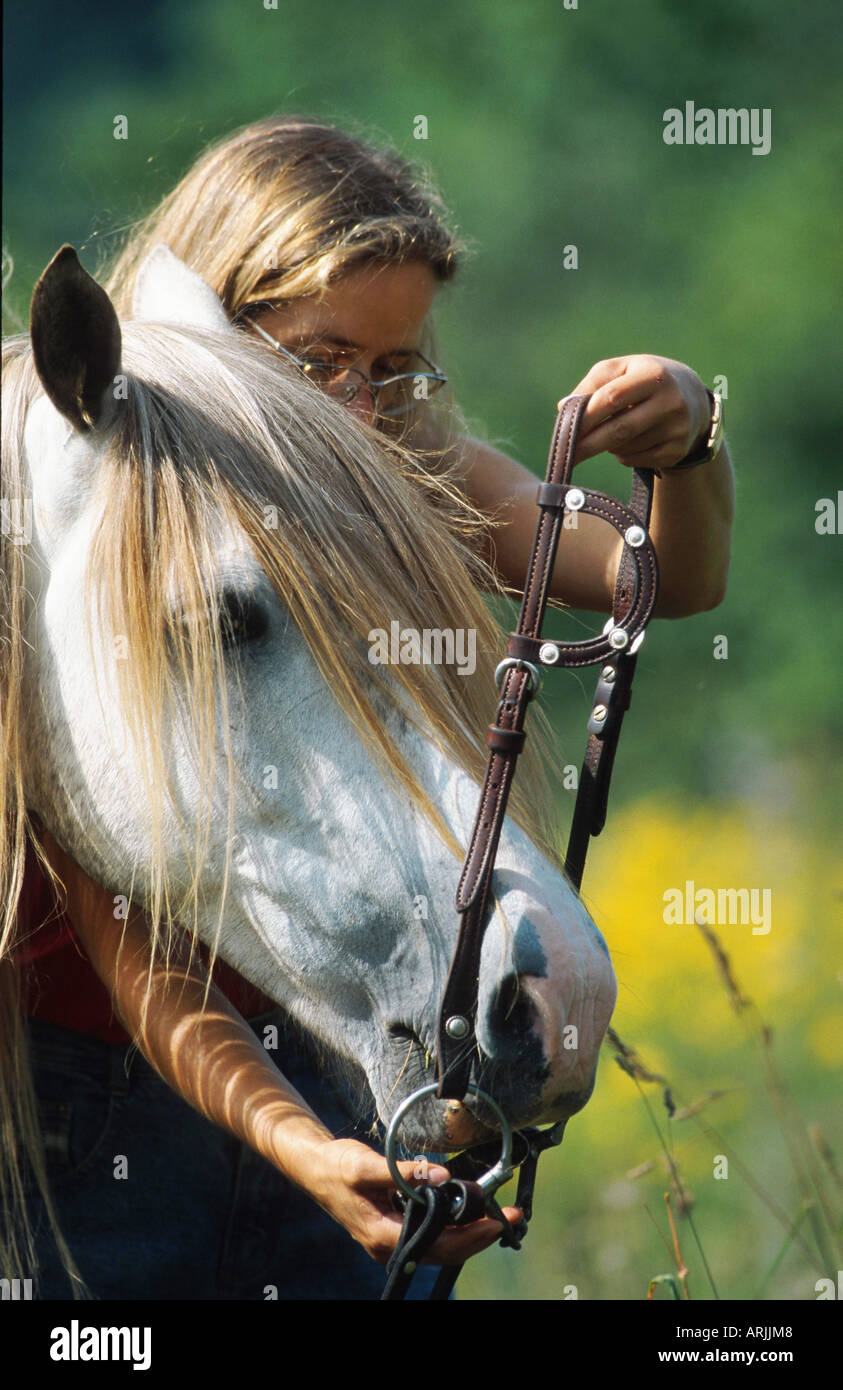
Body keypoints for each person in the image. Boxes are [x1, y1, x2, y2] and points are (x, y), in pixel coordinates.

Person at [10, 116, 734, 1300]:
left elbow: (663, 574)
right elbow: (129, 938)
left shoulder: (412, 473)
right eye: (320, 363)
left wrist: (691, 445)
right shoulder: (125, 546)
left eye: (394, 371)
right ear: (213, 337)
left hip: (350, 1064)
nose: (359, 409)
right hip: (113, 1108)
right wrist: (296, 1145)